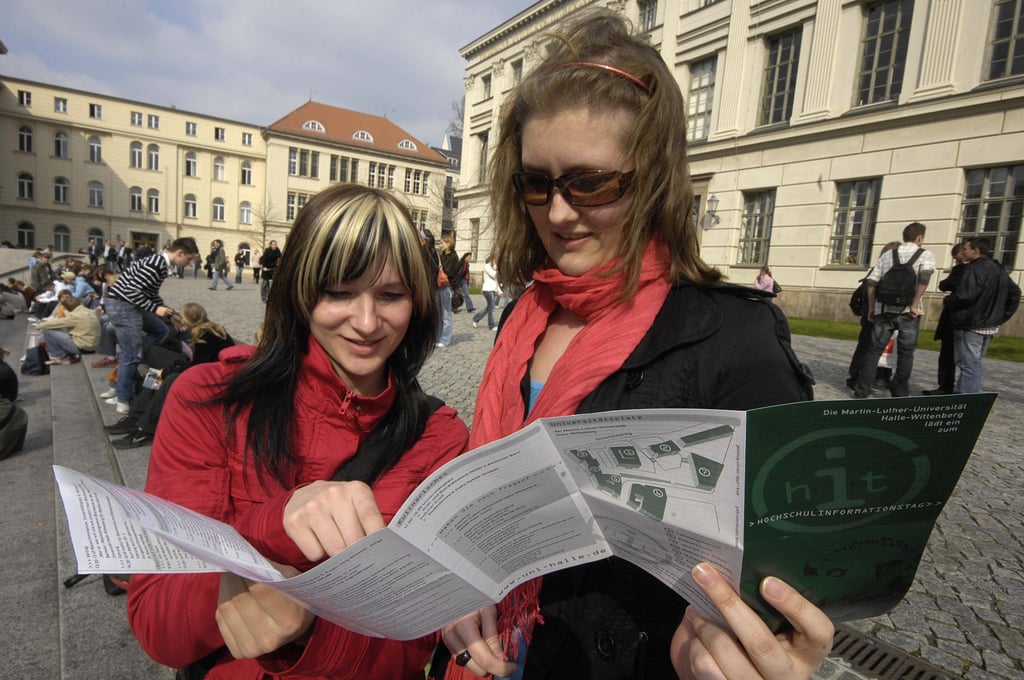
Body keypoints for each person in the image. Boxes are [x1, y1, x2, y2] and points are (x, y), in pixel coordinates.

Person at [436, 13, 832, 680]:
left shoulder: (731, 338)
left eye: (590, 182)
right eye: (538, 182)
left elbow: (785, 577)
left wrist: (753, 654)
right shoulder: (525, 316)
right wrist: (462, 586)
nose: (559, 212)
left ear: (651, 177)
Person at [126, 184, 469, 679]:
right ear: (302, 292)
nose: (368, 322)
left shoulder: (438, 439)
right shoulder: (209, 401)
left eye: (391, 295)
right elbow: (158, 626)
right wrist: (270, 534)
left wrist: (308, 632)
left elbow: (415, 639)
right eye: (340, 292)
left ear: (416, 303)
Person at [108, 302, 236, 449]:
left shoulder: (205, 335)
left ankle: (145, 428)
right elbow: (198, 365)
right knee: (156, 375)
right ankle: (135, 417)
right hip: (210, 375)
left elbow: (197, 368)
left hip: (215, 381)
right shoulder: (207, 329)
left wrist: (169, 371)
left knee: (167, 378)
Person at [104, 237, 200, 414]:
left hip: (130, 305)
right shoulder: (156, 264)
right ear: (179, 253)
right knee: (130, 355)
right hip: (123, 305)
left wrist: (168, 314)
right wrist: (155, 309)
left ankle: (139, 356)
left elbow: (151, 293)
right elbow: (131, 292)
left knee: (161, 329)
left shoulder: (161, 265)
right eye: (188, 259)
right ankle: (123, 399)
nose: (187, 264)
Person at [852, 222, 935, 399]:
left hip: (884, 309)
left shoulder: (889, 255)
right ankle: (899, 391)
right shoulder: (925, 255)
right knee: (906, 353)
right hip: (908, 312)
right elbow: (924, 278)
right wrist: (914, 303)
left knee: (874, 352)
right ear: (920, 237)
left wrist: (872, 308)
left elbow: (872, 282)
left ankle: (862, 390)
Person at [943, 238, 1021, 394]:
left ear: (976, 250)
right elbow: (1015, 293)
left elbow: (965, 296)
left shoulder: (974, 269)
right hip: (988, 324)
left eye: (965, 248)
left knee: (969, 364)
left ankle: (965, 399)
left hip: (971, 323)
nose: (963, 251)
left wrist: (948, 300)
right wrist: (1000, 316)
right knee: (972, 362)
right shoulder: (998, 269)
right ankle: (961, 393)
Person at [922, 244, 967, 395]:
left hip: (960, 318)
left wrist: (949, 300)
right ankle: (951, 387)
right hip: (965, 318)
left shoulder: (966, 269)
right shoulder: (990, 268)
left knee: (961, 358)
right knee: (955, 356)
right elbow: (943, 285)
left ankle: (954, 389)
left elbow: (946, 285)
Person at [34, 296, 100, 365]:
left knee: (47, 331)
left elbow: (57, 323)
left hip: (83, 347)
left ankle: (61, 356)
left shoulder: (75, 316)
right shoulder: (90, 311)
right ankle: (67, 354)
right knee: (63, 328)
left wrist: (39, 326)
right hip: (93, 346)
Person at [472, 254, 501, 331]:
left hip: (493, 289)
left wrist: (499, 291)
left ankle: (476, 318)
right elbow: (493, 275)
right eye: (494, 260)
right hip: (487, 290)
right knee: (491, 307)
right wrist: (497, 269)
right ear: (491, 260)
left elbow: (496, 281)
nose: (496, 262)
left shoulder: (493, 268)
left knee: (489, 307)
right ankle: (491, 325)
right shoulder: (486, 266)